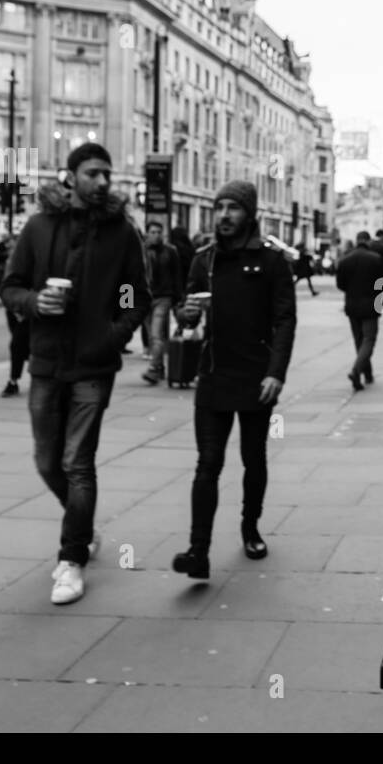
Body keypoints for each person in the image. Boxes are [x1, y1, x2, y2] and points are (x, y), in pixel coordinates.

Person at [0, 142, 151, 605]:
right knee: (46, 461)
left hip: (94, 363)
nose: (103, 181)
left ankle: (71, 560)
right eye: (93, 173)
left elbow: (134, 293)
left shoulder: (122, 232)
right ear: (71, 177)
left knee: (76, 462)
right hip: (46, 360)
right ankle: (82, 525)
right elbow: (9, 285)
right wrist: (33, 303)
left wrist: (115, 331)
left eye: (107, 173)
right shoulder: (40, 227)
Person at [169, 182, 296, 578]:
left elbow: (284, 320)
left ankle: (250, 527)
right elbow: (185, 311)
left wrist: (276, 372)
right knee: (207, 464)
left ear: (249, 213)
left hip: (257, 376)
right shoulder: (203, 260)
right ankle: (198, 550)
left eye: (233, 208)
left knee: (252, 459)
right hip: (213, 374)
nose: (224, 215)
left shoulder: (272, 261)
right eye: (219, 207)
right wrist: (186, 313)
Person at [336, 231, 383, 390]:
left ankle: (368, 373)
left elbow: (340, 284)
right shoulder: (375, 259)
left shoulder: (345, 260)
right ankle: (357, 370)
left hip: (352, 305)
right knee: (369, 339)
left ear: (357, 240)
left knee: (359, 340)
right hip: (371, 304)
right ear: (368, 241)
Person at [141, 221, 183, 385]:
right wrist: (126, 303)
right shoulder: (140, 251)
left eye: (159, 232)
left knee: (157, 334)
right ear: (147, 233)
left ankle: (153, 368)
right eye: (153, 232)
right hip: (144, 298)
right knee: (152, 336)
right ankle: (159, 368)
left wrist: (178, 299)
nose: (156, 235)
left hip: (163, 297)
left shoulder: (170, 251)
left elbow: (177, 275)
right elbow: (129, 277)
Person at [0, 232, 30, 397]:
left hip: (25, 312)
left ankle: (13, 381)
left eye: (11, 245)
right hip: (12, 312)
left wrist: (23, 305)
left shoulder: (27, 263)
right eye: (7, 246)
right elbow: (0, 288)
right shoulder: (5, 266)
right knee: (21, 344)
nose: (9, 249)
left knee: (16, 344)